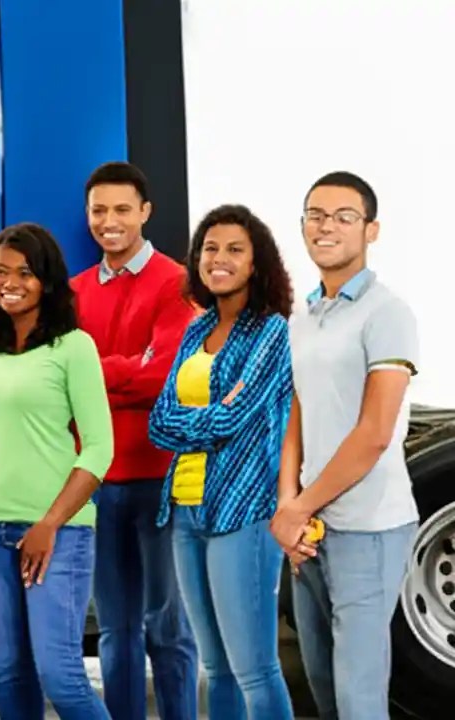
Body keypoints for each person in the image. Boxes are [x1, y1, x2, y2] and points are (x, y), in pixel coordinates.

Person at [0, 222, 114, 720]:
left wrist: (49, 524)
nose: (10, 281)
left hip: (56, 535)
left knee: (60, 673)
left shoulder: (73, 347)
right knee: (13, 671)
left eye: (24, 272)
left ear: (46, 280)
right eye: (0, 270)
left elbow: (99, 449)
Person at [271, 171, 420, 720]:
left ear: (371, 230)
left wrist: (300, 506)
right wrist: (289, 502)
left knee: (359, 701)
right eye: (315, 215)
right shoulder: (306, 314)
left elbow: (375, 432)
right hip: (311, 530)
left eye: (343, 217)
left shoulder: (387, 313)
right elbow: (299, 409)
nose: (325, 227)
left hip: (369, 528)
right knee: (325, 692)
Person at [148, 204, 296, 719]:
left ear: (257, 263)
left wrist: (200, 419)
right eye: (210, 248)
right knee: (216, 668)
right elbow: (158, 422)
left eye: (235, 249)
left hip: (242, 511)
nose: (220, 258)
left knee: (255, 669)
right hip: (186, 511)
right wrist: (210, 415)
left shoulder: (271, 332)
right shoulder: (197, 330)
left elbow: (237, 418)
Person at [69, 161, 198, 720]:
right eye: (99, 211)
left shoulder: (176, 283)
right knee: (115, 631)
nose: (109, 221)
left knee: (167, 626)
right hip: (94, 482)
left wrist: (93, 373)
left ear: (145, 212)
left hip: (156, 477)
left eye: (122, 209)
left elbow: (166, 374)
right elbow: (61, 382)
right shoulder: (73, 291)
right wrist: (127, 369)